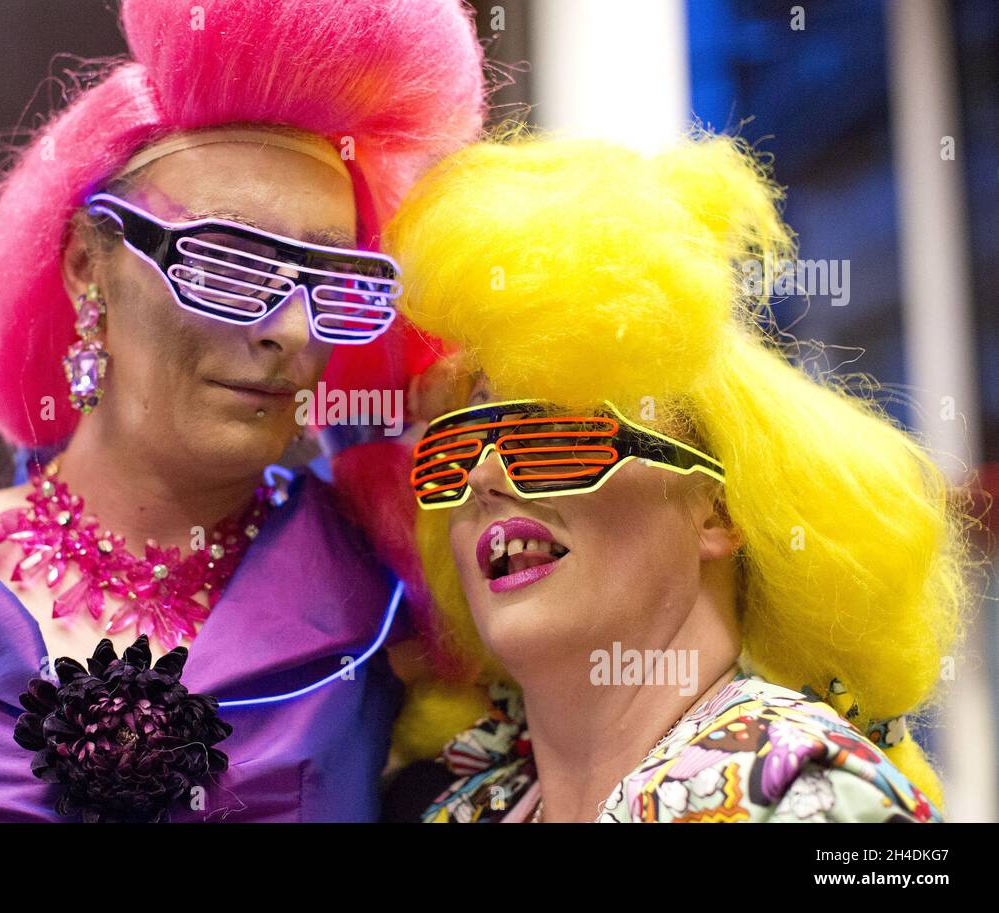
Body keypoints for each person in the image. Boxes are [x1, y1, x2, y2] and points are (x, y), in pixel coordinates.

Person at [0, 0, 485, 823]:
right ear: (88, 264)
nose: (290, 330)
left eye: (331, 284)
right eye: (227, 263)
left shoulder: (384, 599)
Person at [380, 131, 975, 823]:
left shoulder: (812, 801)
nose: (483, 473)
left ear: (718, 510)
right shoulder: (453, 806)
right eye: (455, 443)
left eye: (555, 434)